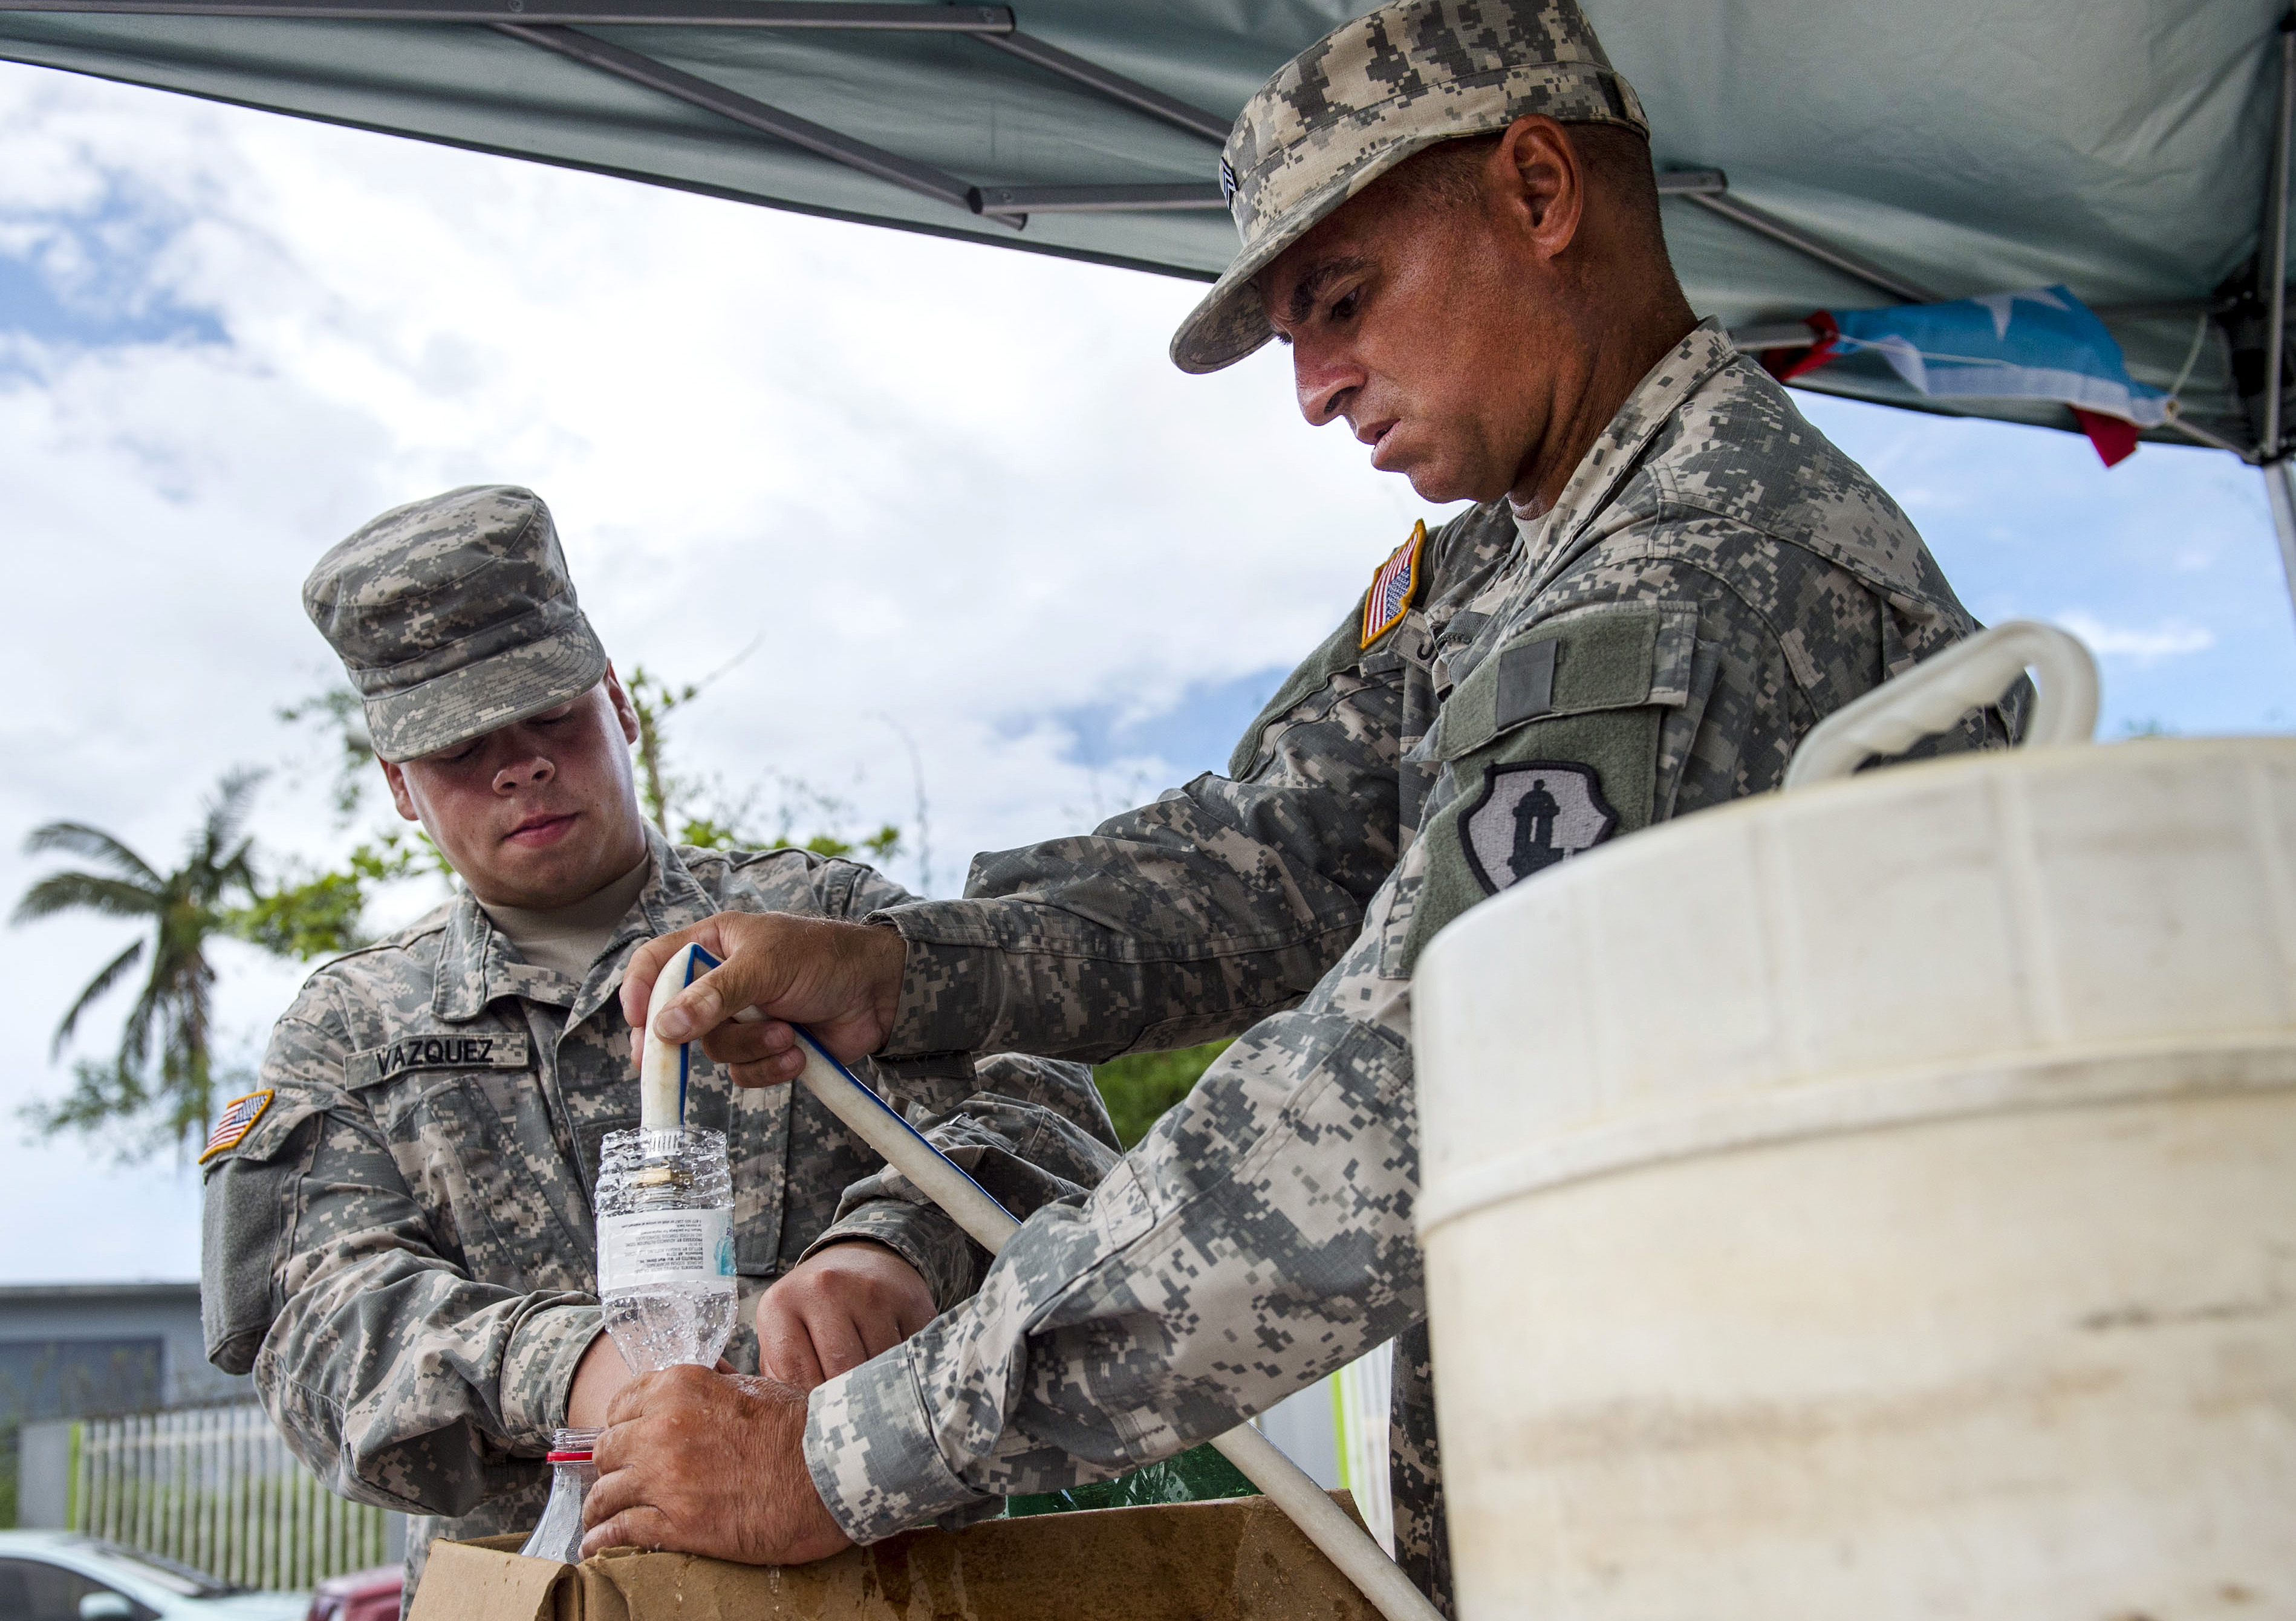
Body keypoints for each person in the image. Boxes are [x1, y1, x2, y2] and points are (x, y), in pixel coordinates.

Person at [575, 0, 2024, 1610]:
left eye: (1340, 302)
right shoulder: (1518, 559)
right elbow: (1261, 855)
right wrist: (904, 967)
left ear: (1538, 195)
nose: (1316, 391)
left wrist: (841, 1455)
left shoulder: (1704, 578)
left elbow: (1384, 1110)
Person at [195, 484, 1116, 1602]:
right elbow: (313, 1333)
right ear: (397, 785)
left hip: (890, 1586)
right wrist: (584, 1371)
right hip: (544, 1595)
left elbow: (1048, 1112)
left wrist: (894, 1248)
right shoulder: (351, 1029)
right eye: (457, 746)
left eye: (550, 714)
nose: (519, 765)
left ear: (619, 704)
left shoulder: (819, 923)